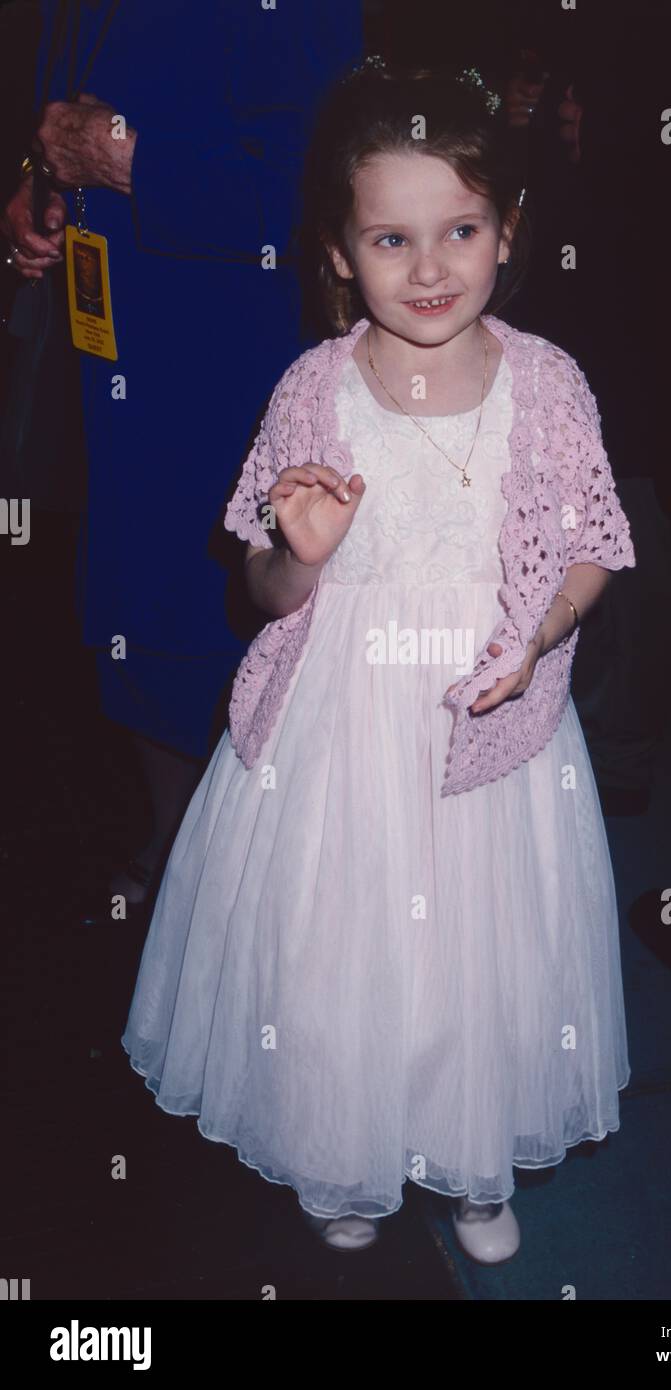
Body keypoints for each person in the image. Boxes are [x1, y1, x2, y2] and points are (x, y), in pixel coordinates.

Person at [121, 61, 636, 1264]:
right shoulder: (313, 388)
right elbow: (263, 590)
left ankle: (475, 1157)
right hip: (338, 725)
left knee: (482, 952)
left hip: (490, 725)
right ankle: (336, 1144)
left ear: (507, 232)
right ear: (342, 254)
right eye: (391, 238)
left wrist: (537, 637)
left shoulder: (548, 386)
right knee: (335, 947)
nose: (429, 266)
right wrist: (298, 556)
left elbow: (590, 554)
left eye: (459, 229)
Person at [1, 0, 362, 915]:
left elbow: (328, 190)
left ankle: (244, 882)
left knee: (217, 620)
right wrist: (39, 185)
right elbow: (67, 110)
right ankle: (175, 851)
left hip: (223, 363)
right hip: (105, 353)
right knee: (129, 608)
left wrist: (131, 164)